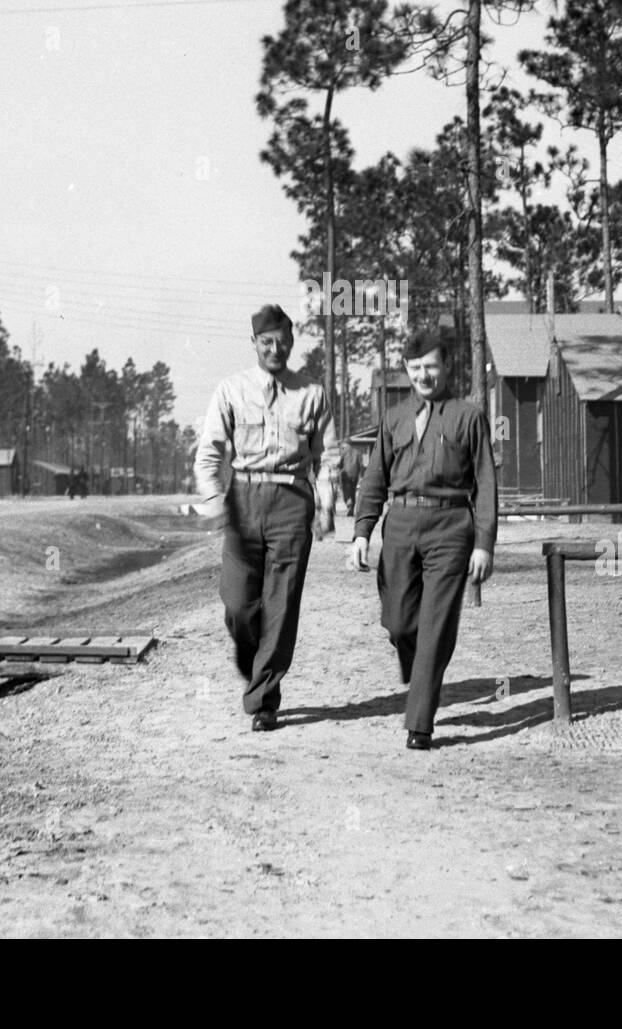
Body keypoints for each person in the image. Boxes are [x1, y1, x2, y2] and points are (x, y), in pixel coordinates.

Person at [193, 304, 340, 731]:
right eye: (266, 342)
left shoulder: (312, 393)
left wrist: (326, 506)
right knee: (239, 605)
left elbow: (328, 457)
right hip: (244, 498)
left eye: (282, 342)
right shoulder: (230, 390)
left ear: (292, 343)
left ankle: (263, 700)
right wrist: (215, 503)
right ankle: (252, 660)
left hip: (292, 501)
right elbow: (209, 453)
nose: (275, 349)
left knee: (281, 605)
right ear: (254, 343)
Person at [351, 326, 497, 750]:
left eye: (431, 366)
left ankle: (420, 723)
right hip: (398, 526)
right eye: (415, 368)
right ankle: (419, 673)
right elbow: (374, 478)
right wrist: (362, 532)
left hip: (450, 527)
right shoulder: (393, 417)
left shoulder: (468, 416)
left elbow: (485, 484)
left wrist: (484, 543)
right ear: (406, 370)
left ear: (446, 366)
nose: (423, 375)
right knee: (398, 621)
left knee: (434, 626)